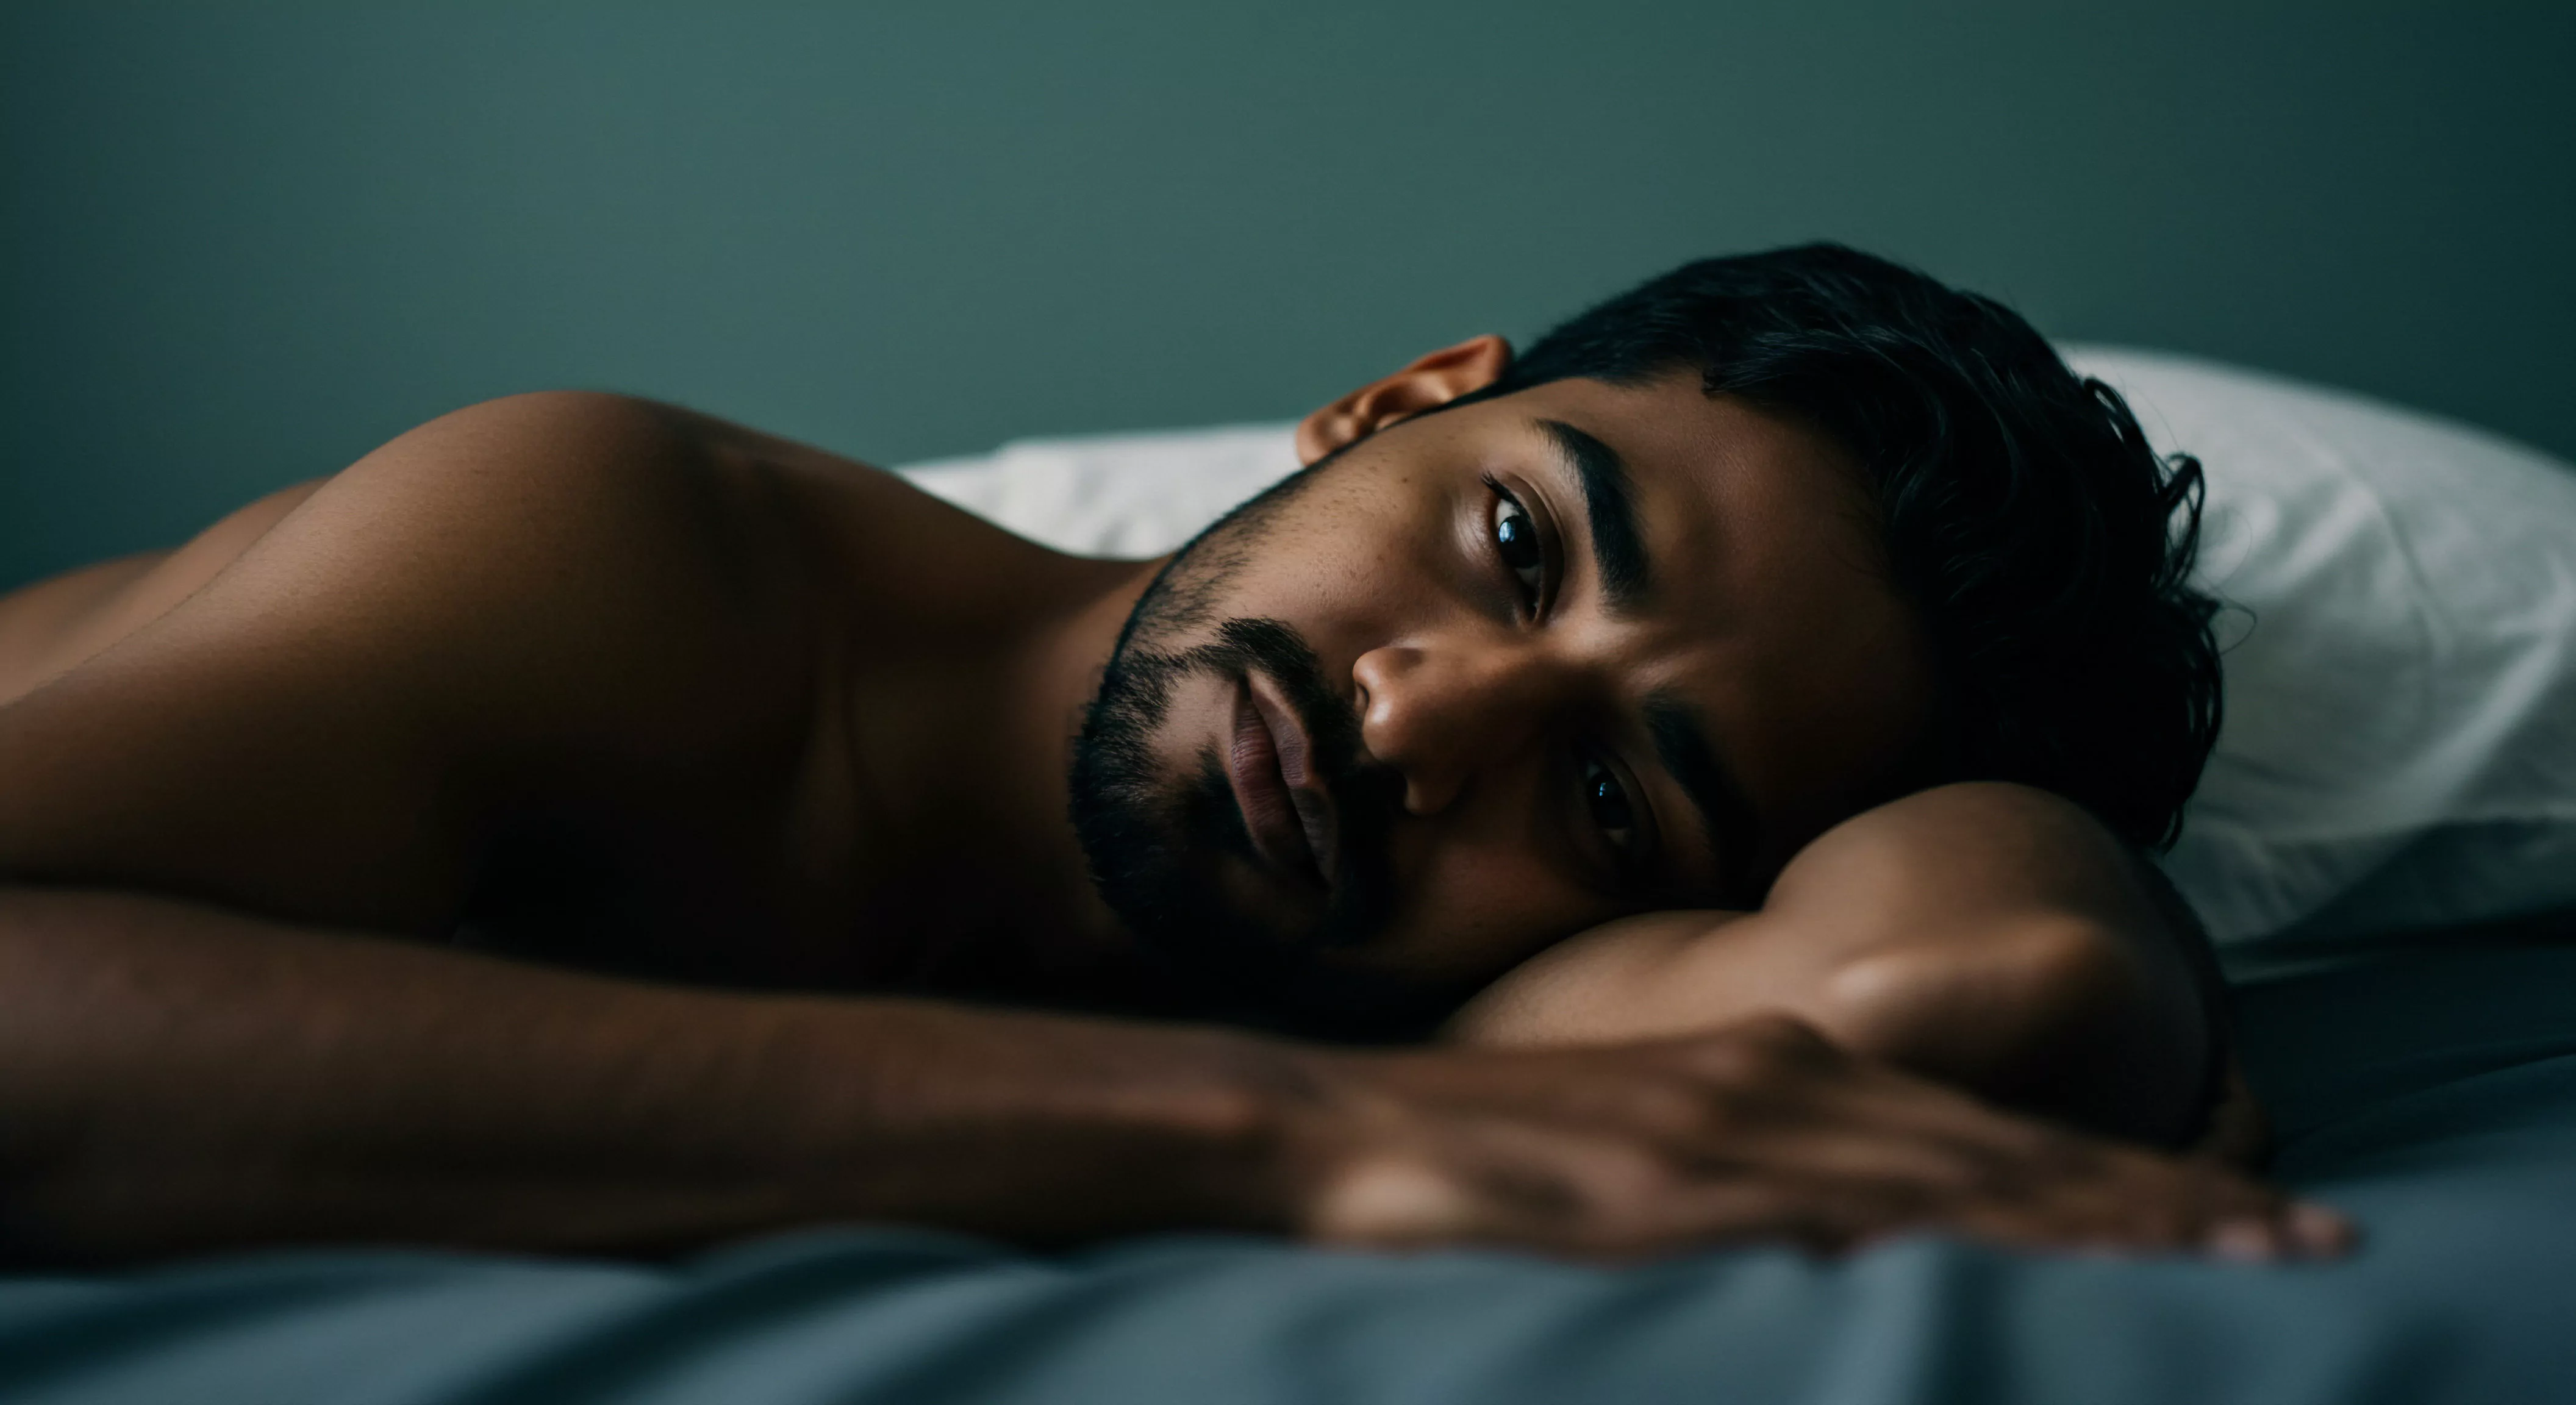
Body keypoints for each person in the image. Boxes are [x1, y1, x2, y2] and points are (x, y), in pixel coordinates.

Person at [0, 245, 2343, 1265]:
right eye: (1517, 544)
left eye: (1619, 792)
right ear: (1391, 405)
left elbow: (1993, 984)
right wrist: (1277, 1138)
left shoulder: (1437, 980)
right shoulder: (615, 556)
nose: (1416, 723)